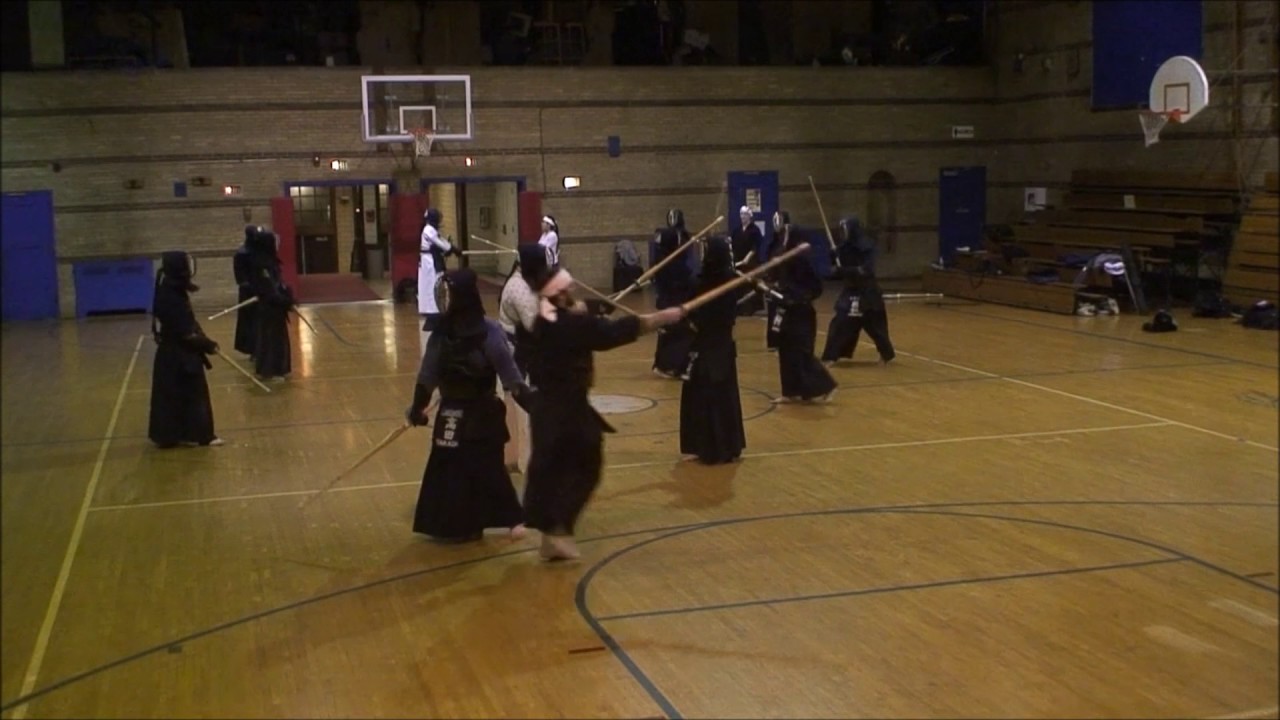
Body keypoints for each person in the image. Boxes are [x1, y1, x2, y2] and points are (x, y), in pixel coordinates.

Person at [524, 265, 686, 560]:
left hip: (548, 407)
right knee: (586, 464)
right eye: (568, 288)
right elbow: (611, 333)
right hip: (566, 409)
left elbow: (584, 315)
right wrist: (663, 317)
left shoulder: (543, 319)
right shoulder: (570, 326)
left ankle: (554, 533)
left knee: (554, 468)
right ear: (559, 294)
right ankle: (558, 531)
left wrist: (599, 307)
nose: (574, 290)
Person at [406, 268, 537, 543]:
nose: (445, 300)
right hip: (452, 415)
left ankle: (511, 518)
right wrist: (417, 408)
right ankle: (456, 524)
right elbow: (426, 378)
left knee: (487, 467)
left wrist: (537, 409)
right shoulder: (441, 335)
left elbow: (512, 381)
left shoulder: (489, 333)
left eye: (449, 295)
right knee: (449, 468)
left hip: (481, 415)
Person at [679, 236, 746, 464]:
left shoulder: (726, 284)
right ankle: (705, 446)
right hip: (710, 345)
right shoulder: (703, 282)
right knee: (704, 396)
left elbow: (724, 316)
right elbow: (688, 309)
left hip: (714, 346)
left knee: (714, 397)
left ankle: (718, 448)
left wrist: (695, 322)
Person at [148, 251, 223, 448]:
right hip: (179, 356)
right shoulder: (170, 296)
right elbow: (184, 331)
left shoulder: (173, 290)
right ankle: (199, 435)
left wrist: (201, 335)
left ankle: (182, 434)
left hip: (176, 354)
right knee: (191, 395)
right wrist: (206, 344)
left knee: (178, 395)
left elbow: (189, 323)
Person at [497, 244, 551, 474]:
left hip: (525, 353)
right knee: (522, 409)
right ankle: (523, 461)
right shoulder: (519, 288)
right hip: (515, 357)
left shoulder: (527, 281)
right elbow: (535, 326)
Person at [772, 215, 838, 403]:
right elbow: (779, 280)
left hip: (801, 312)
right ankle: (790, 392)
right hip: (785, 309)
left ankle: (827, 386)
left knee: (801, 351)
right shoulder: (783, 257)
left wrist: (799, 297)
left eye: (787, 235)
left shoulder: (804, 261)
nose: (783, 238)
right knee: (785, 350)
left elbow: (816, 288)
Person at [821, 216, 896, 365]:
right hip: (851, 291)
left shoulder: (867, 247)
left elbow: (865, 270)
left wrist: (844, 270)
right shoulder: (843, 248)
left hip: (868, 293)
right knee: (840, 323)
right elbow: (835, 270)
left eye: (845, 230)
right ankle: (831, 355)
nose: (843, 233)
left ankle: (886, 354)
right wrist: (833, 256)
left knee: (875, 326)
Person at [651, 209, 696, 378]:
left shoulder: (677, 245)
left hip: (673, 295)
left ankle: (669, 366)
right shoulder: (666, 259)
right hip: (671, 296)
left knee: (672, 330)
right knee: (675, 330)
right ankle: (669, 366)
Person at [247, 228, 293, 381]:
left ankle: (277, 369)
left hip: (275, 309)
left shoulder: (271, 263)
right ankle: (271, 370)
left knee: (276, 338)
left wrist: (287, 295)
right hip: (269, 309)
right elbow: (268, 290)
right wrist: (283, 301)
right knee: (270, 340)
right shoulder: (261, 265)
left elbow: (278, 285)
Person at [418, 208, 461, 344]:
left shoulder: (431, 229)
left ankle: (435, 311)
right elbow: (439, 242)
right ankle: (433, 313)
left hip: (431, 260)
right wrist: (451, 249)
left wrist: (450, 247)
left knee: (434, 286)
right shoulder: (428, 230)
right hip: (429, 263)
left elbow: (440, 241)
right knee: (432, 287)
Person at [762, 211, 791, 351]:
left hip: (786, 283)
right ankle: (774, 341)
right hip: (774, 284)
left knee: (783, 314)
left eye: (779, 220)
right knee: (774, 314)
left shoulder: (790, 240)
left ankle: (784, 341)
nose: (776, 224)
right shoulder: (774, 242)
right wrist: (768, 278)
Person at [730, 205, 765, 316]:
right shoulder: (736, 231)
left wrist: (747, 258)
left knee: (750, 284)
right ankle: (739, 308)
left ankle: (750, 308)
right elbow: (732, 246)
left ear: (750, 216)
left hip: (750, 263)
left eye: (745, 214)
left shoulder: (755, 230)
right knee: (739, 286)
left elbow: (755, 247)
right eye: (741, 214)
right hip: (739, 263)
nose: (743, 216)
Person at [232, 226, 258, 358]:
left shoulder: (258, 251)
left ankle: (259, 348)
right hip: (248, 293)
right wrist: (251, 287)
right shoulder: (242, 253)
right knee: (250, 322)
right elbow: (240, 277)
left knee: (258, 322)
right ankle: (252, 349)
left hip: (258, 291)